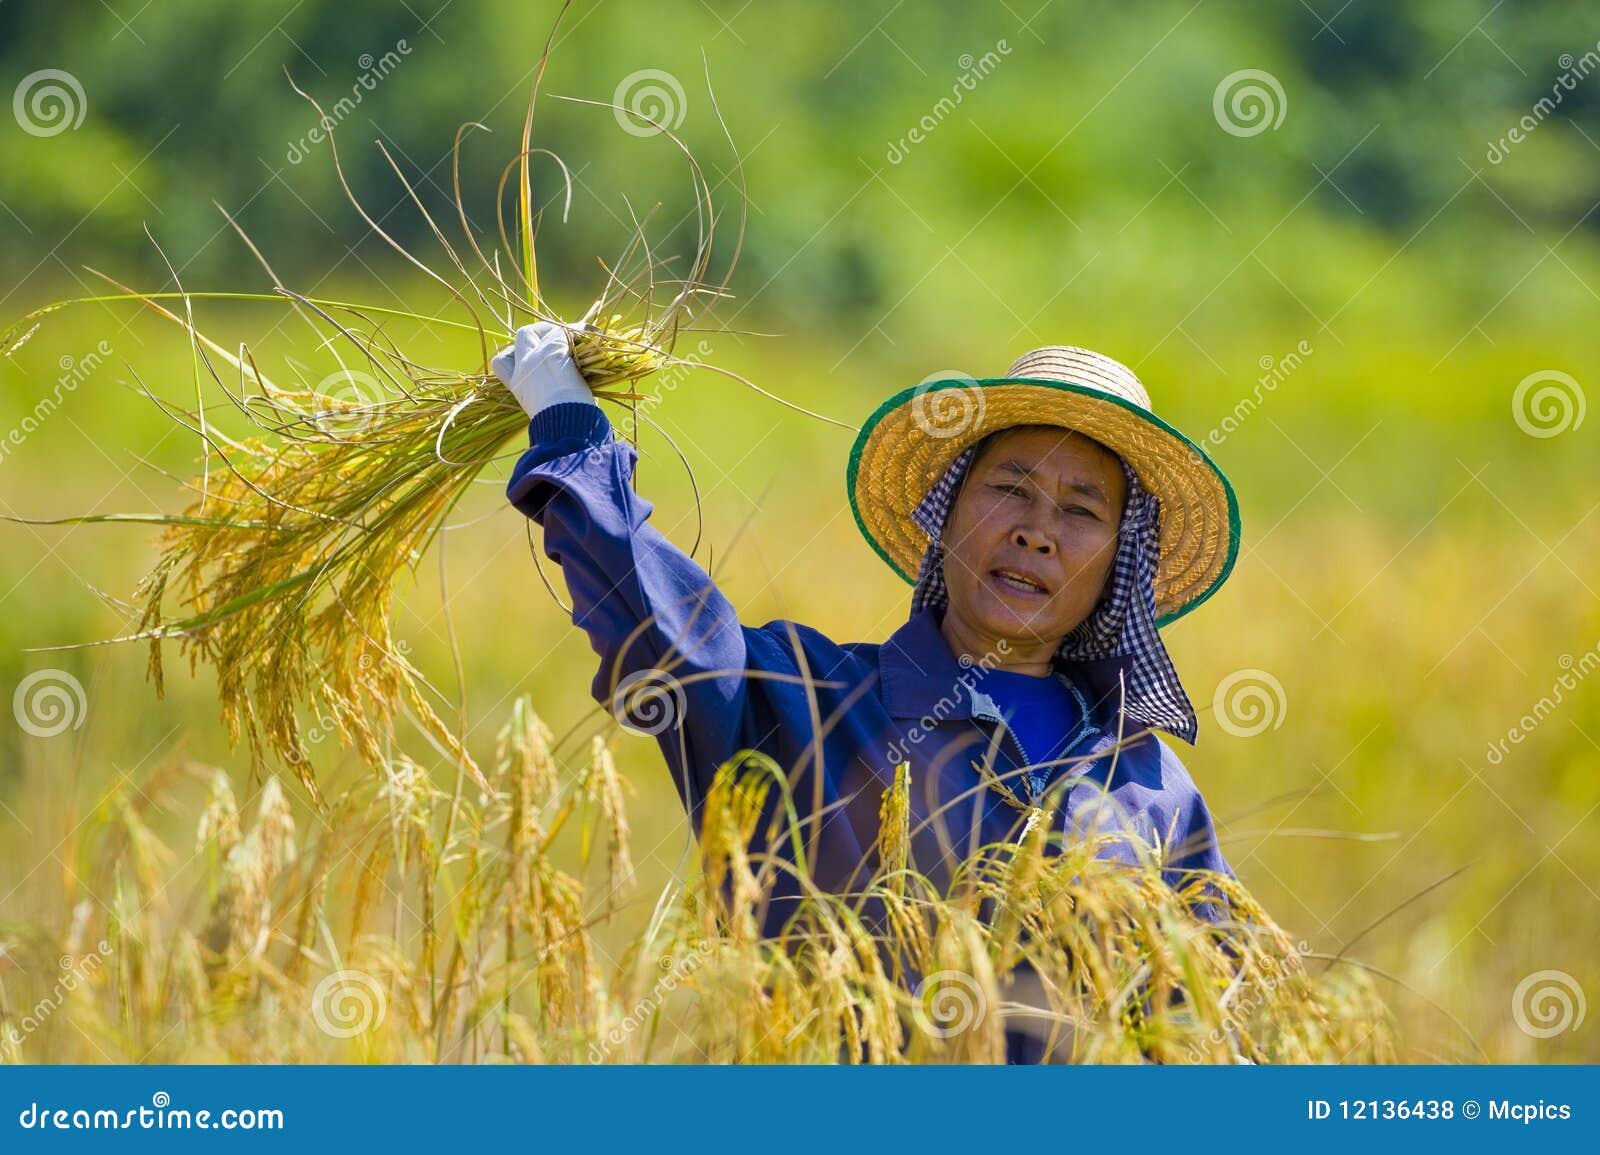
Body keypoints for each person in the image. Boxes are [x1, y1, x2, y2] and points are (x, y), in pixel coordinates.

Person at [494, 325, 1245, 1059]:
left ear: (1121, 564)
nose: (1037, 531)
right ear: (945, 513)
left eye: (1082, 511)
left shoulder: (1149, 789)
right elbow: (665, 633)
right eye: (1010, 488)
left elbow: (1215, 1025)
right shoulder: (811, 701)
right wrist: (570, 433)